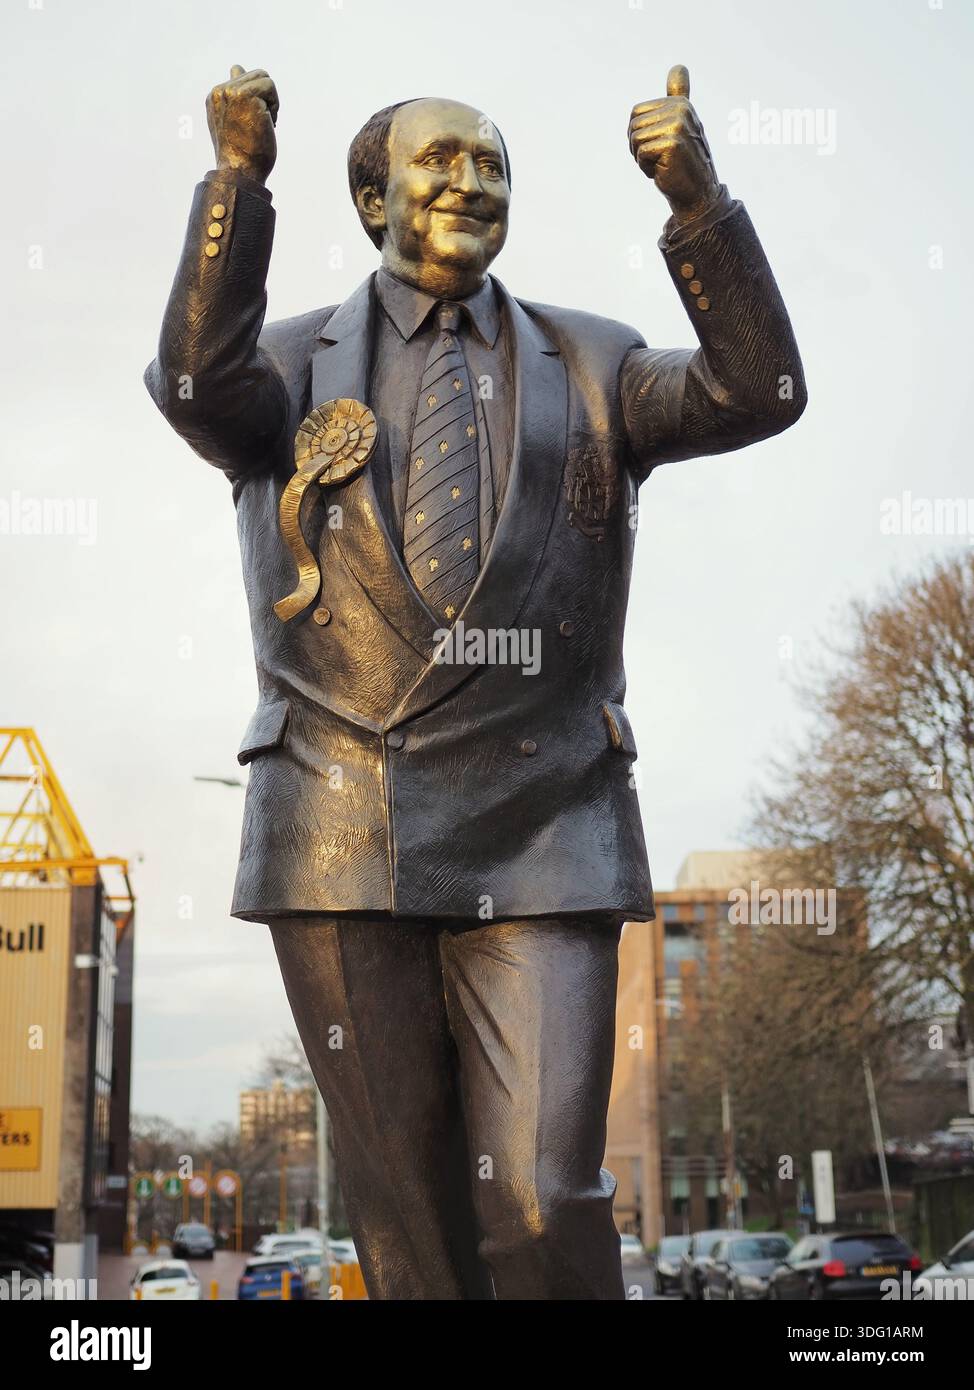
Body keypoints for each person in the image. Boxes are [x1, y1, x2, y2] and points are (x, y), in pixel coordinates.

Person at [145, 63, 805, 1299]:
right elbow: (188, 381)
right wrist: (234, 182)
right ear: (368, 196)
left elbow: (758, 389)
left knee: (544, 1198)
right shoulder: (280, 371)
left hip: (544, 819)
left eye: (492, 165)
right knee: (410, 1221)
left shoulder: (593, 362)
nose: (471, 183)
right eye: (440, 161)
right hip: (340, 818)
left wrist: (697, 203)